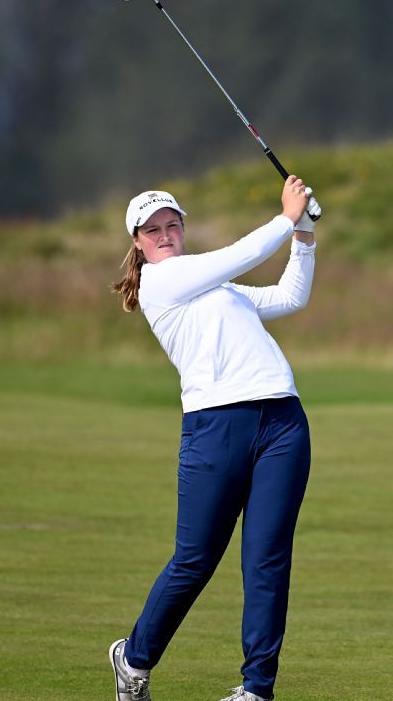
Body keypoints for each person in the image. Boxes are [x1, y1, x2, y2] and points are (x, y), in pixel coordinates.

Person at [108, 175, 318, 701]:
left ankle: (256, 689)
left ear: (182, 229)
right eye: (151, 229)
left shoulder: (217, 289)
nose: (163, 234)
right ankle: (133, 658)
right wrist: (287, 217)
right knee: (195, 559)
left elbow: (290, 296)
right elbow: (240, 253)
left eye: (171, 225)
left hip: (283, 422)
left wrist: (305, 238)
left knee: (267, 559)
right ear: (136, 241)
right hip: (215, 430)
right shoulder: (163, 283)